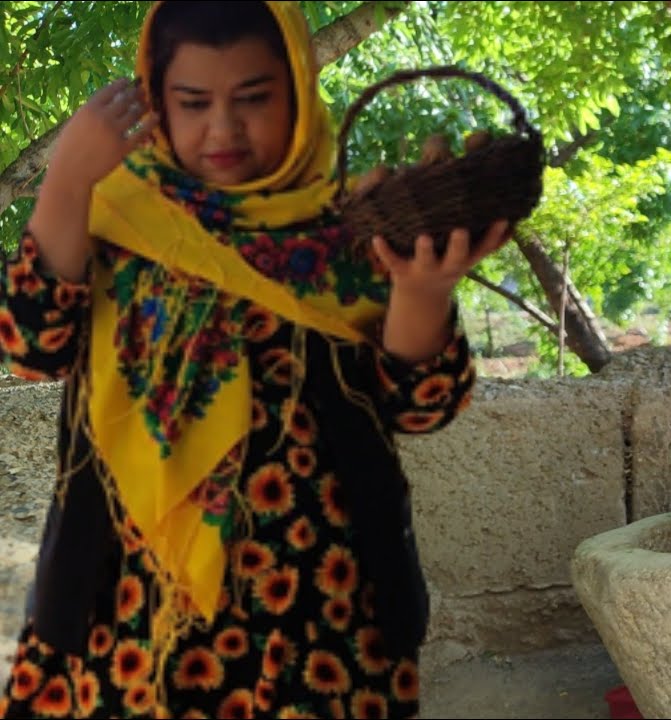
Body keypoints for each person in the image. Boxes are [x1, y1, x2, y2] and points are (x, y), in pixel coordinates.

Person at [0, 1, 509, 717]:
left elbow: (419, 406)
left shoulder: (355, 232)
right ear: (157, 102)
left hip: (322, 614)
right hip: (121, 612)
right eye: (192, 102)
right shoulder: (114, 219)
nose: (223, 129)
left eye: (253, 98)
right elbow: (32, 347)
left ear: (298, 91)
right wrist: (67, 180)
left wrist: (422, 291)